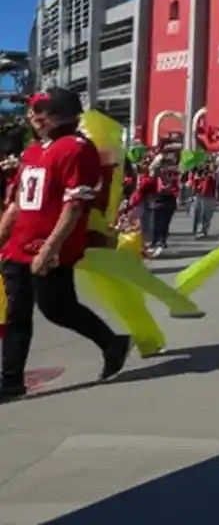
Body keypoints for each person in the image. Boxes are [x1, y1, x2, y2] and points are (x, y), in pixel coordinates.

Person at [0, 88, 131, 401]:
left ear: (61, 116)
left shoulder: (76, 149)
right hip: (18, 246)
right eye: (33, 111)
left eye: (41, 111)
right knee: (16, 314)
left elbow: (74, 207)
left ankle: (112, 343)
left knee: (57, 309)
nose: (34, 117)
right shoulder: (33, 151)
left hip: (51, 248)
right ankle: (11, 380)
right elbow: (18, 204)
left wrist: (49, 249)